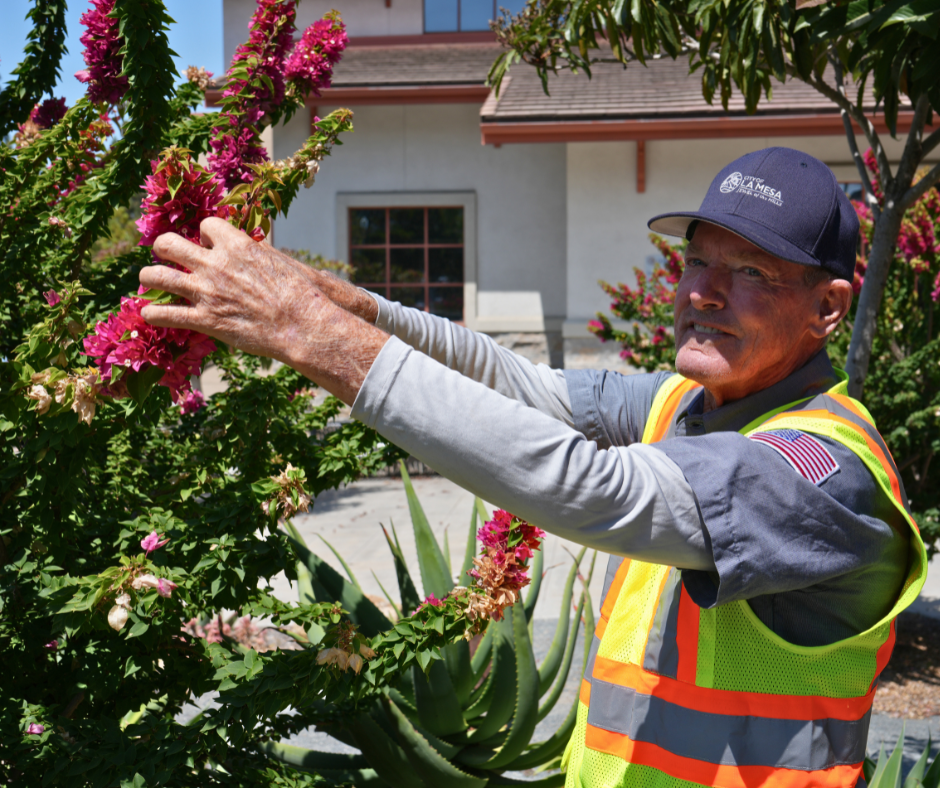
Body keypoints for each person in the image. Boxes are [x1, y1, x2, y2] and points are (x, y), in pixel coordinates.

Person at [141, 147, 926, 788]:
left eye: (750, 272)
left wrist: (311, 334)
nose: (704, 293)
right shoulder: (683, 406)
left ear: (828, 308)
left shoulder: (822, 467)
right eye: (697, 262)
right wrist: (353, 309)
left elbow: (596, 490)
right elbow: (521, 385)